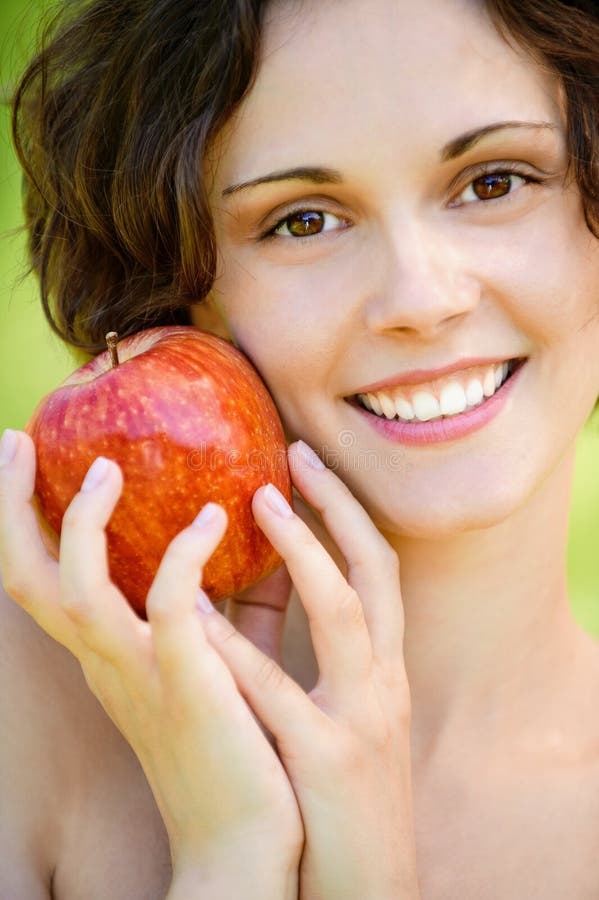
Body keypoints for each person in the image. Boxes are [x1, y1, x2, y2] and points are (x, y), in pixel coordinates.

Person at [1, 0, 599, 896]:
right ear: (174, 292)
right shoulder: (26, 701)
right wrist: (229, 857)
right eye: (304, 221)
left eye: (493, 180)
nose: (420, 297)